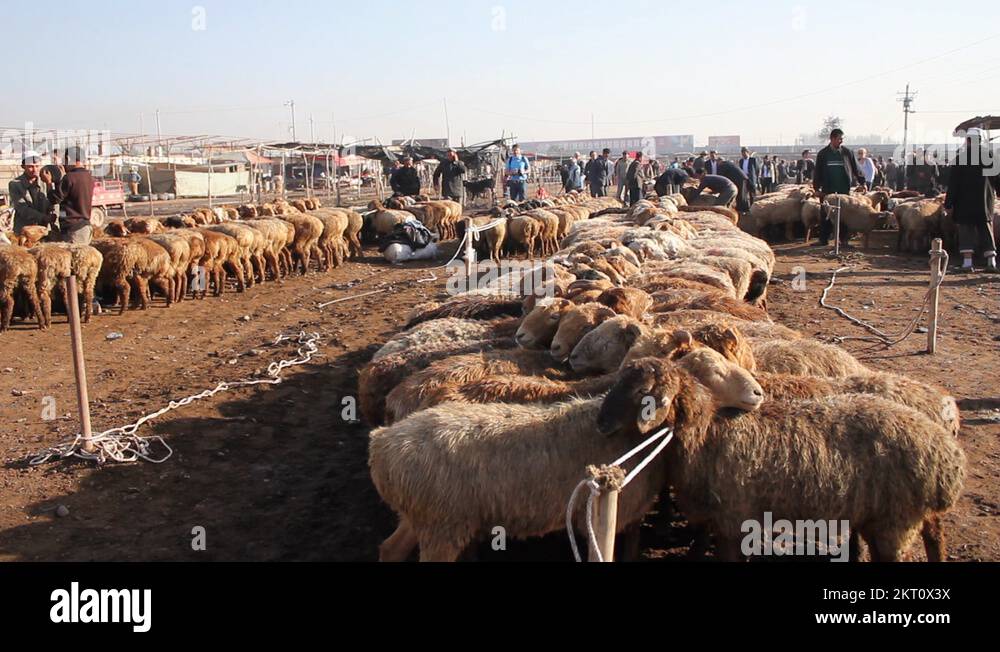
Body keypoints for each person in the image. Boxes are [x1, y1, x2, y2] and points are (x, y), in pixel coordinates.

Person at [945, 128, 999, 273]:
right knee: (986, 228)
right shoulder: (990, 156)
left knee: (966, 229)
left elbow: (954, 183)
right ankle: (991, 262)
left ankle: (967, 263)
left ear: (968, 140)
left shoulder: (960, 157)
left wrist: (949, 203)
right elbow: (997, 178)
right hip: (984, 200)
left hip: (965, 201)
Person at [812, 129, 866, 246]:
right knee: (825, 214)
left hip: (843, 189)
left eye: (842, 139)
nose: (841, 141)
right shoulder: (823, 154)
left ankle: (844, 240)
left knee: (845, 215)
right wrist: (816, 188)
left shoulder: (847, 153)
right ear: (832, 139)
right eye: (839, 139)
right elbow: (818, 172)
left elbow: (856, 169)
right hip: (828, 190)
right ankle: (823, 239)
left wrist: (863, 182)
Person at [43, 146, 94, 244]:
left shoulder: (70, 178)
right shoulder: (89, 176)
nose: (63, 164)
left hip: (73, 230)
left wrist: (48, 182)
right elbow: (68, 196)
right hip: (85, 226)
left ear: (69, 159)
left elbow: (54, 199)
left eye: (64, 160)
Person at [8, 151, 53, 234]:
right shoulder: (15, 184)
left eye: (37, 166)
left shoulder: (46, 182)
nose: (34, 170)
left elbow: (54, 201)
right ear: (23, 166)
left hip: (44, 230)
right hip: (25, 231)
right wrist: (43, 217)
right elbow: (22, 208)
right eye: (30, 167)